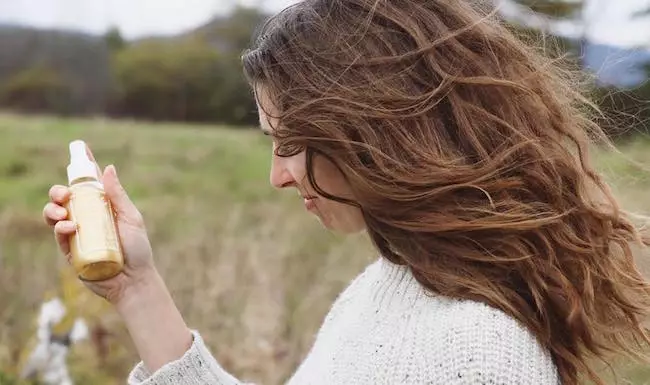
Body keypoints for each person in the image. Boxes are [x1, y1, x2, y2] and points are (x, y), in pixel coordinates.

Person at [43, 0, 650, 384]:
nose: (277, 176)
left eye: (290, 143)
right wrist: (138, 290)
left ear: (376, 130)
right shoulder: (395, 285)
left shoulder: (479, 355)